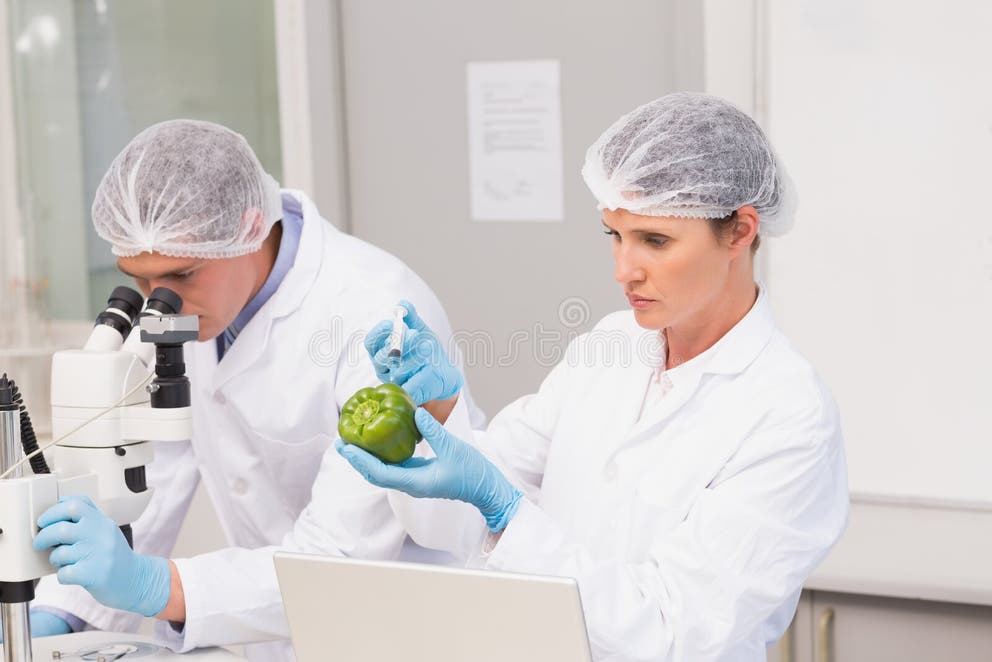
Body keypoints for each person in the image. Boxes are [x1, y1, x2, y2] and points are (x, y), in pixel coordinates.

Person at [338, 92, 850, 661]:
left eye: (655, 240)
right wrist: (434, 416)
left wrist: (508, 510)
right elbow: (457, 525)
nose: (623, 271)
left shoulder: (788, 415)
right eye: (614, 234)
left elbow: (672, 634)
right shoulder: (610, 345)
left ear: (740, 232)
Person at [24, 119, 483, 661]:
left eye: (183, 275)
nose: (158, 305)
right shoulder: (191, 311)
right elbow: (155, 479)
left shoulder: (375, 315)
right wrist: (62, 607)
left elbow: (340, 552)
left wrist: (155, 585)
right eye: (140, 280)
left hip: (403, 632)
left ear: (248, 228)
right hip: (276, 632)